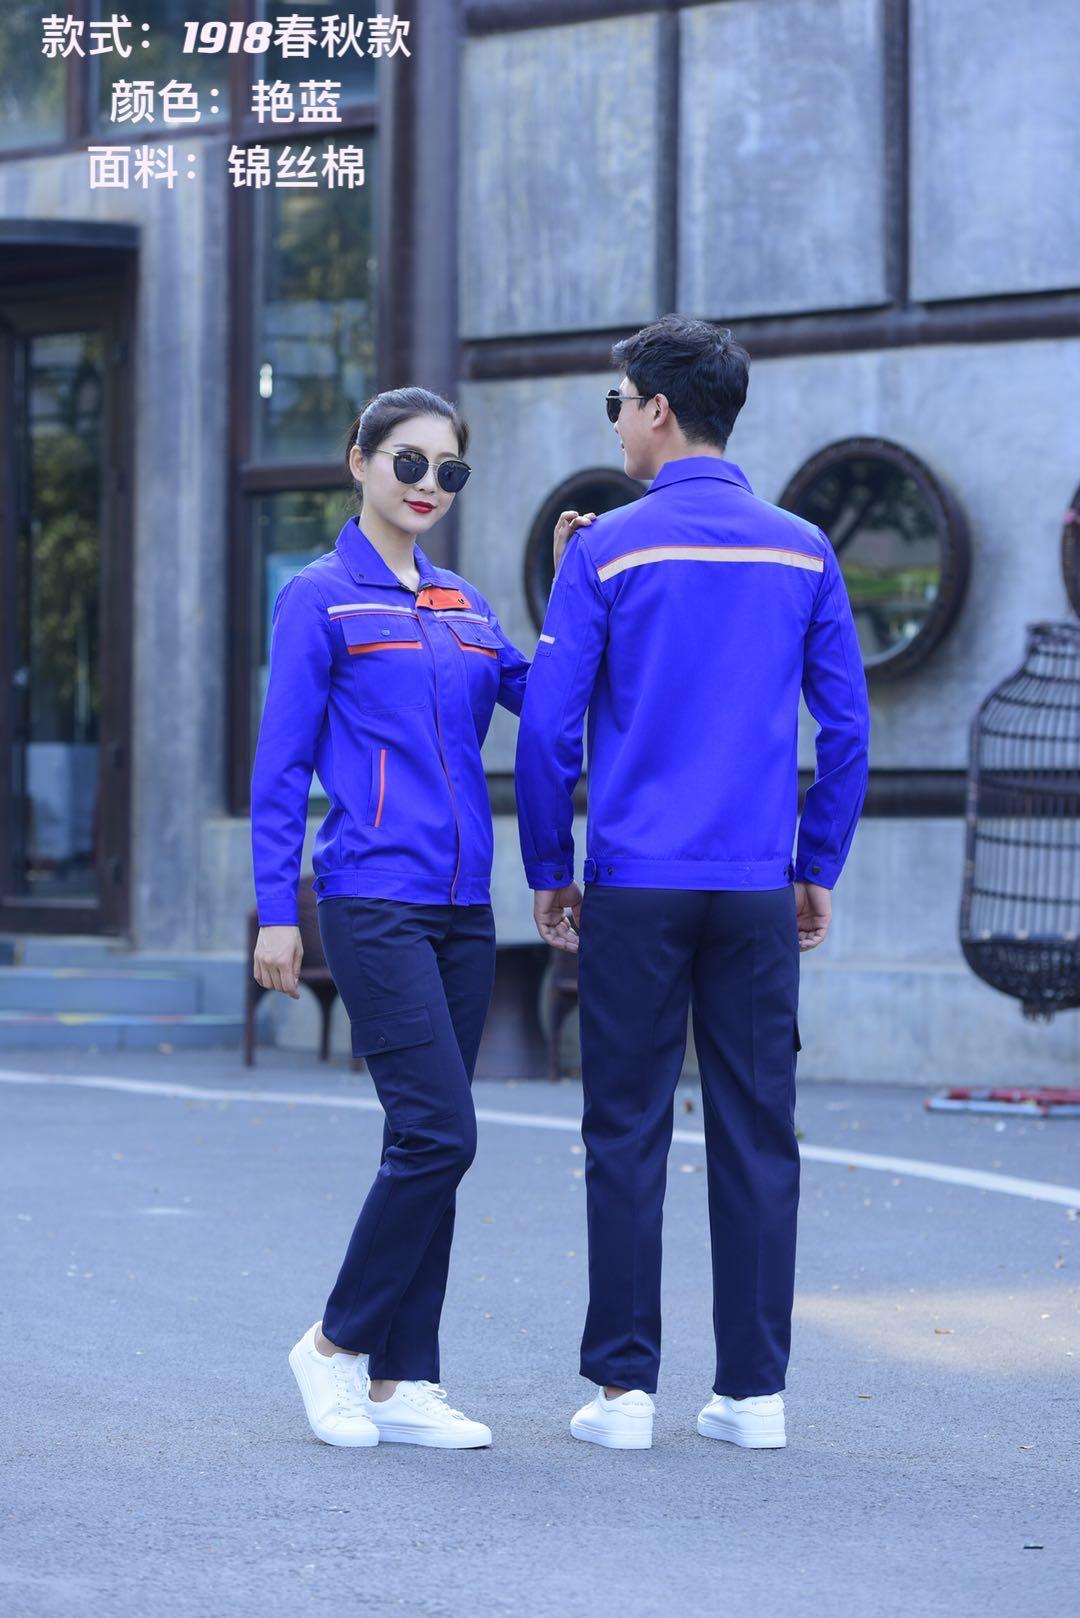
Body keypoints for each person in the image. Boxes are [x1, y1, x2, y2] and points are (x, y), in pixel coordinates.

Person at [514, 314, 871, 1451]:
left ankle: (625, 1395)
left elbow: (548, 730)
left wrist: (548, 866)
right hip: (757, 884)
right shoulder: (803, 549)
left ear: (659, 409)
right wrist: (816, 862)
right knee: (760, 1129)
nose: (616, 421)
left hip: (637, 883)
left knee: (625, 1127)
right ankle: (755, 1396)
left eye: (618, 402)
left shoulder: (605, 552)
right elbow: (847, 731)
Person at [251, 386, 586, 1450]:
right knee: (443, 1132)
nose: (428, 484)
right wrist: (275, 911)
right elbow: (280, 767)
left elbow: (548, 699)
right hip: (371, 898)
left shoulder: (464, 605)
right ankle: (334, 1345)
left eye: (450, 470)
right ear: (359, 461)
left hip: (461, 910)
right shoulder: (319, 598)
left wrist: (573, 592)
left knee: (421, 1139)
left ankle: (406, 1380)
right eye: (408, 461)